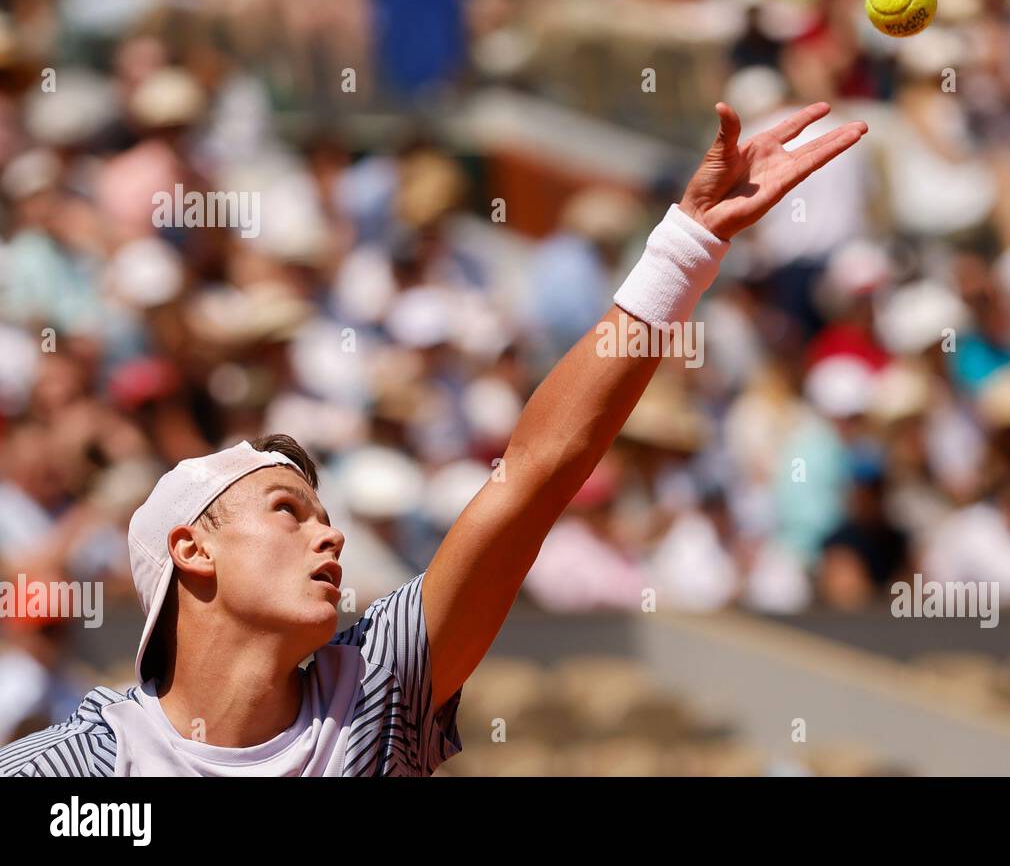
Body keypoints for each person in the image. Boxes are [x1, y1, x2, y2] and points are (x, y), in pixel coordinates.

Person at [0, 102, 868, 776]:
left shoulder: (375, 691)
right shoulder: (81, 773)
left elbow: (533, 474)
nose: (330, 532)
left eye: (321, 512)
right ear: (193, 551)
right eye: (288, 510)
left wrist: (682, 251)